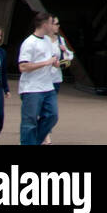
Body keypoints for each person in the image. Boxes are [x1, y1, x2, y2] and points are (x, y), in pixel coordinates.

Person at [18, 12, 60, 145]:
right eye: (51, 23)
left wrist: (54, 62)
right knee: (29, 121)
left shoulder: (48, 40)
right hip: (32, 88)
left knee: (52, 116)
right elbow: (23, 66)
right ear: (44, 24)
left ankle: (34, 141)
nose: (53, 26)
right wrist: (46, 62)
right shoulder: (29, 43)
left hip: (48, 86)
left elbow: (51, 57)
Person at [44, 16, 74, 145]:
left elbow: (69, 55)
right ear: (49, 25)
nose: (58, 26)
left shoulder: (60, 40)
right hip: (42, 78)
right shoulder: (42, 39)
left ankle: (46, 133)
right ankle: (41, 134)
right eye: (56, 23)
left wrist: (65, 51)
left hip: (55, 77)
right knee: (41, 107)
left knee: (50, 109)